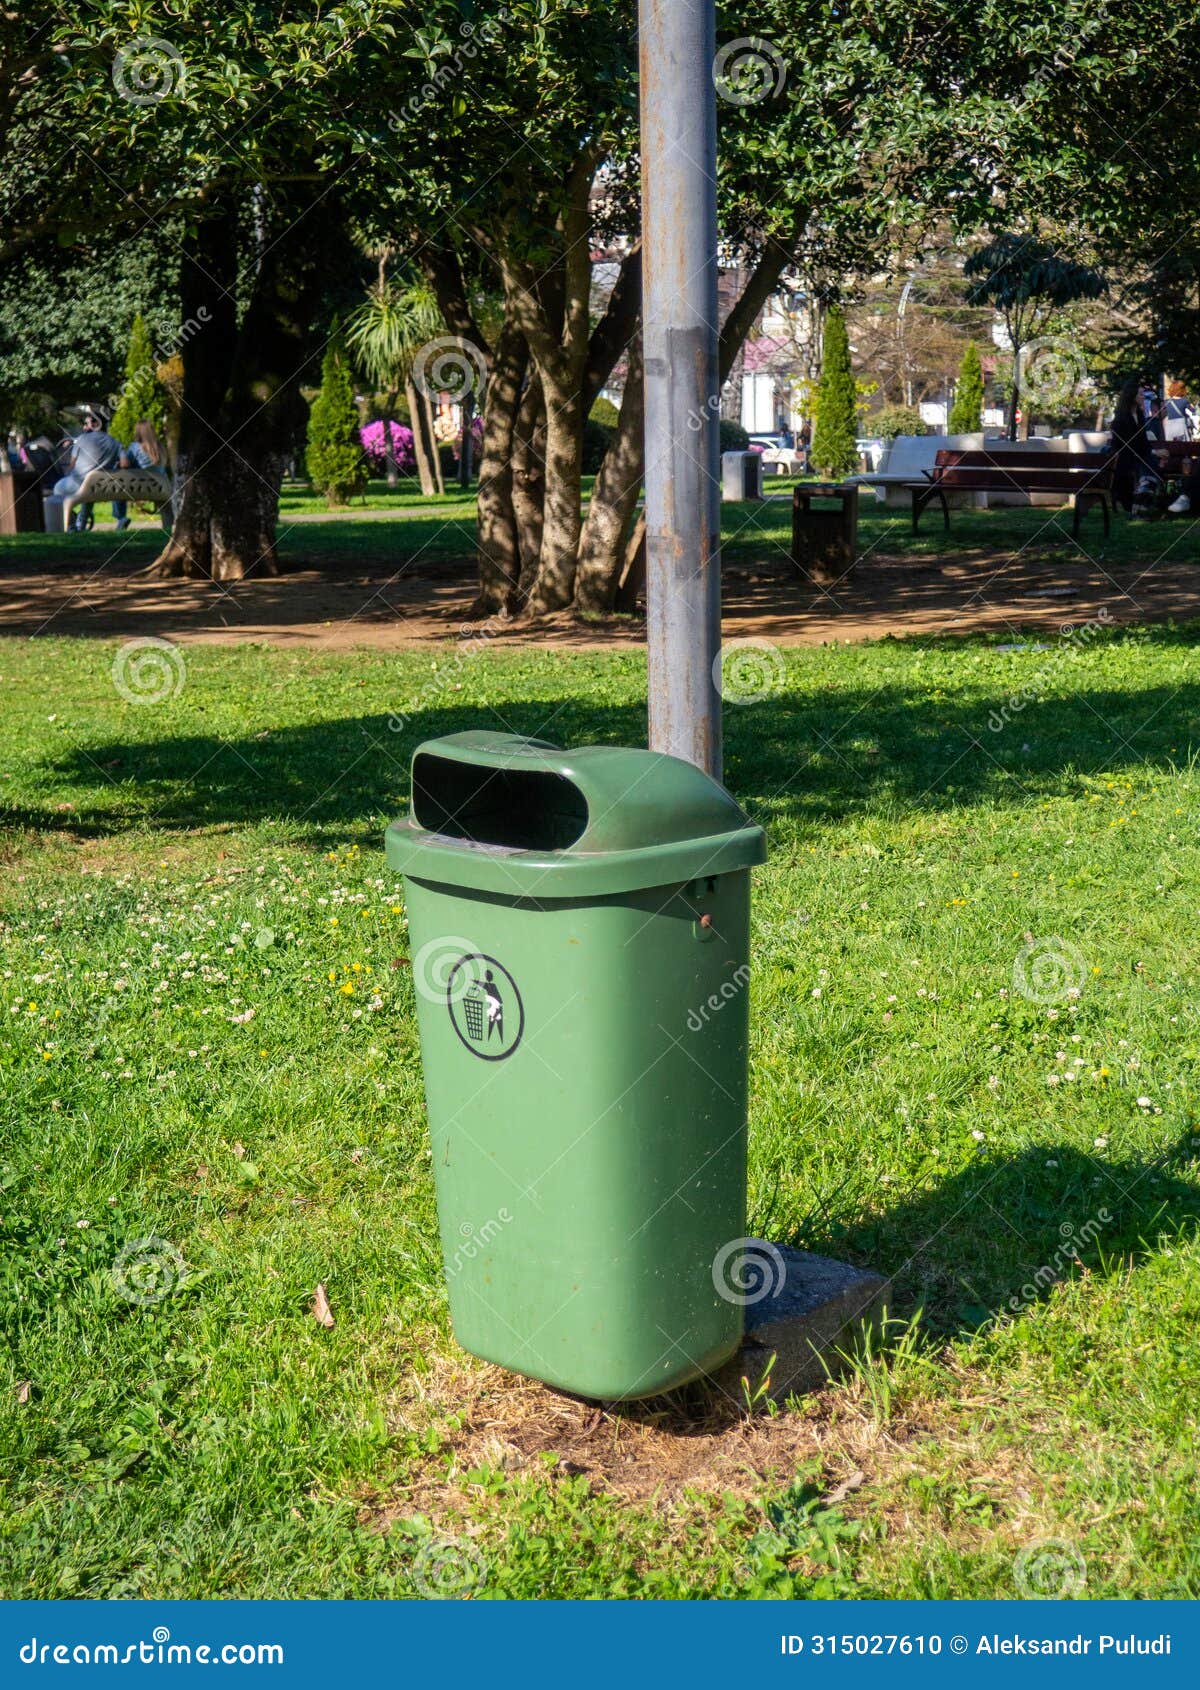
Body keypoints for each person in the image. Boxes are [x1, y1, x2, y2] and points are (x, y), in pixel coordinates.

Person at [52, 413, 121, 531]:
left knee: (57, 489)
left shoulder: (82, 439)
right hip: (101, 486)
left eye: (86, 424)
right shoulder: (115, 442)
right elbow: (124, 463)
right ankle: (81, 523)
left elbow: (72, 465)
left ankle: (71, 523)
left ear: (95, 424)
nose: (84, 427)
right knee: (89, 492)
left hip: (79, 483)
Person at [1108, 379, 1163, 515]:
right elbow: (1128, 445)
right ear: (1131, 397)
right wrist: (1154, 452)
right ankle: (1141, 500)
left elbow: (1143, 442)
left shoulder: (1139, 414)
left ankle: (1142, 499)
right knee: (1148, 461)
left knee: (1150, 460)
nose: (1143, 397)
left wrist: (1155, 452)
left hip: (1138, 456)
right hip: (1125, 458)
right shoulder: (1121, 417)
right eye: (1141, 395)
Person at [112, 420, 167, 531]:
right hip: (161, 487)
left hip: (139, 489)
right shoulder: (161, 447)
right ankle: (168, 524)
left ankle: (121, 518)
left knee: (118, 487)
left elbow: (126, 465)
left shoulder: (135, 447)